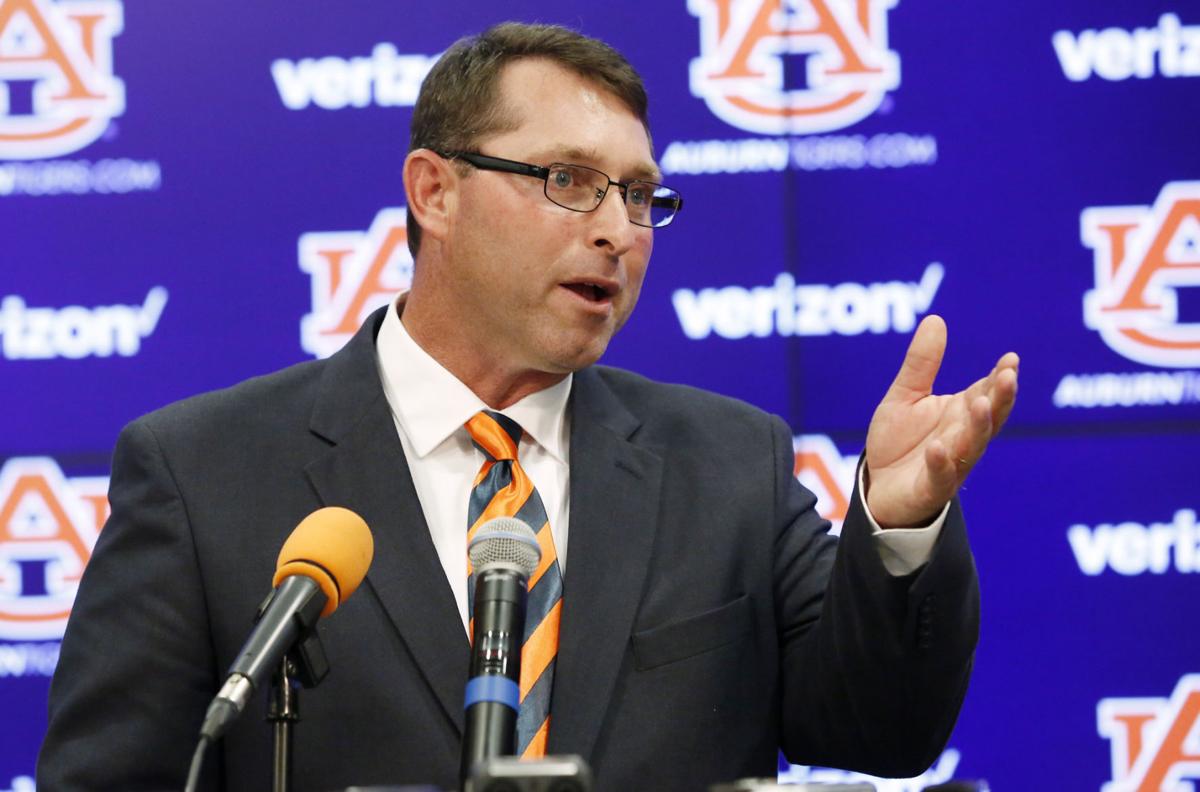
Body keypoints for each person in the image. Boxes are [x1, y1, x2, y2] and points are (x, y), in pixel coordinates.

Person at [38, 22, 1018, 792]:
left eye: (640, 197)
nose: (617, 232)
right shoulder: (205, 474)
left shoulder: (729, 465)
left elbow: (880, 735)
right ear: (436, 191)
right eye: (569, 182)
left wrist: (899, 525)